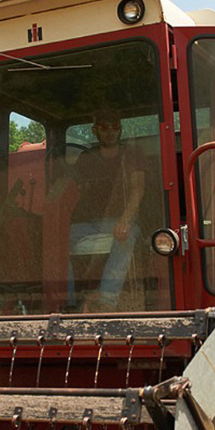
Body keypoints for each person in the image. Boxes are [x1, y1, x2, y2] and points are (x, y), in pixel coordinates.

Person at [67, 110, 145, 310]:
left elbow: (138, 188)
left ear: (120, 130)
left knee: (126, 237)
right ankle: (67, 302)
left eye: (115, 127)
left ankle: (107, 302)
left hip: (118, 221)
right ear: (95, 131)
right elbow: (71, 190)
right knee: (56, 239)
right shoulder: (86, 158)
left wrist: (125, 220)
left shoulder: (132, 154)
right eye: (104, 128)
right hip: (87, 223)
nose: (110, 132)